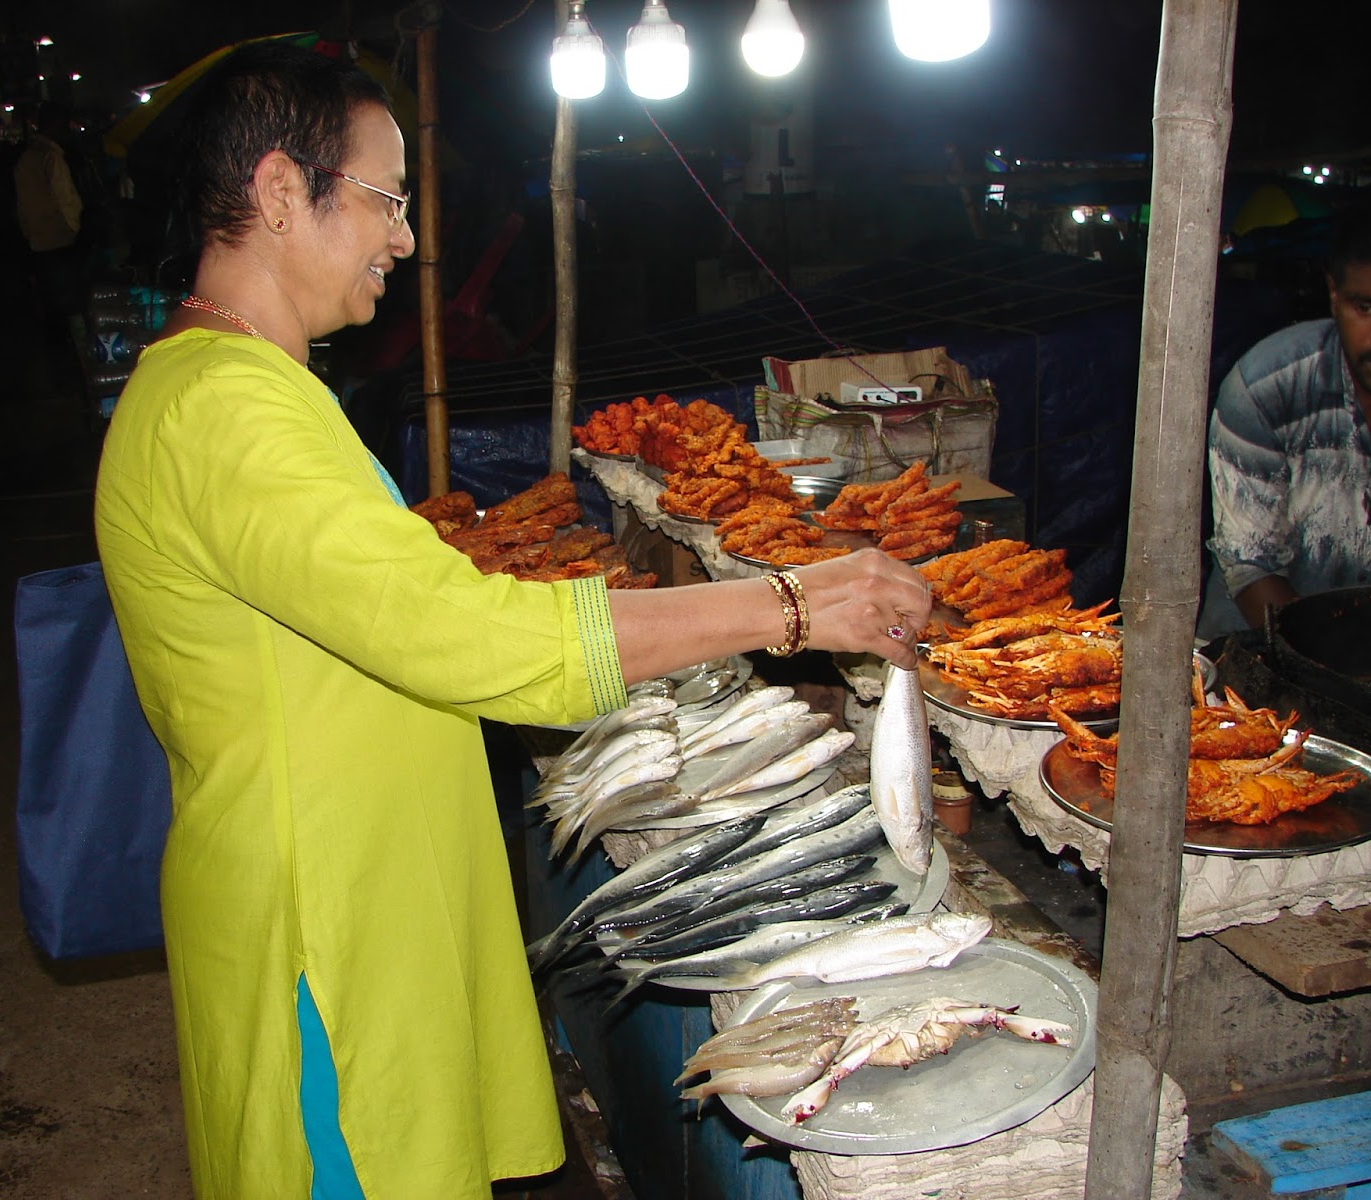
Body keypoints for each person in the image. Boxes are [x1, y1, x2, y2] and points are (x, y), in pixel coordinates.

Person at [93, 43, 931, 1200]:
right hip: (323, 932)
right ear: (284, 191)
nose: (404, 238)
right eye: (387, 201)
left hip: (369, 891)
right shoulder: (225, 416)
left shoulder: (258, 388)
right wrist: (788, 602)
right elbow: (467, 638)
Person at [1198, 197, 1371, 640]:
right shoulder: (1267, 388)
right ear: (1334, 295)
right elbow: (1249, 566)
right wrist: (1338, 670)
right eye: (1366, 308)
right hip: (1249, 658)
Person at [14, 100, 86, 371]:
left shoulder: (27, 157)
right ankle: (76, 362)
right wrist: (77, 230)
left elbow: (22, 205)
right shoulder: (51, 156)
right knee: (69, 304)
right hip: (59, 239)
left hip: (38, 242)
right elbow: (66, 200)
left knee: (51, 307)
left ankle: (59, 362)